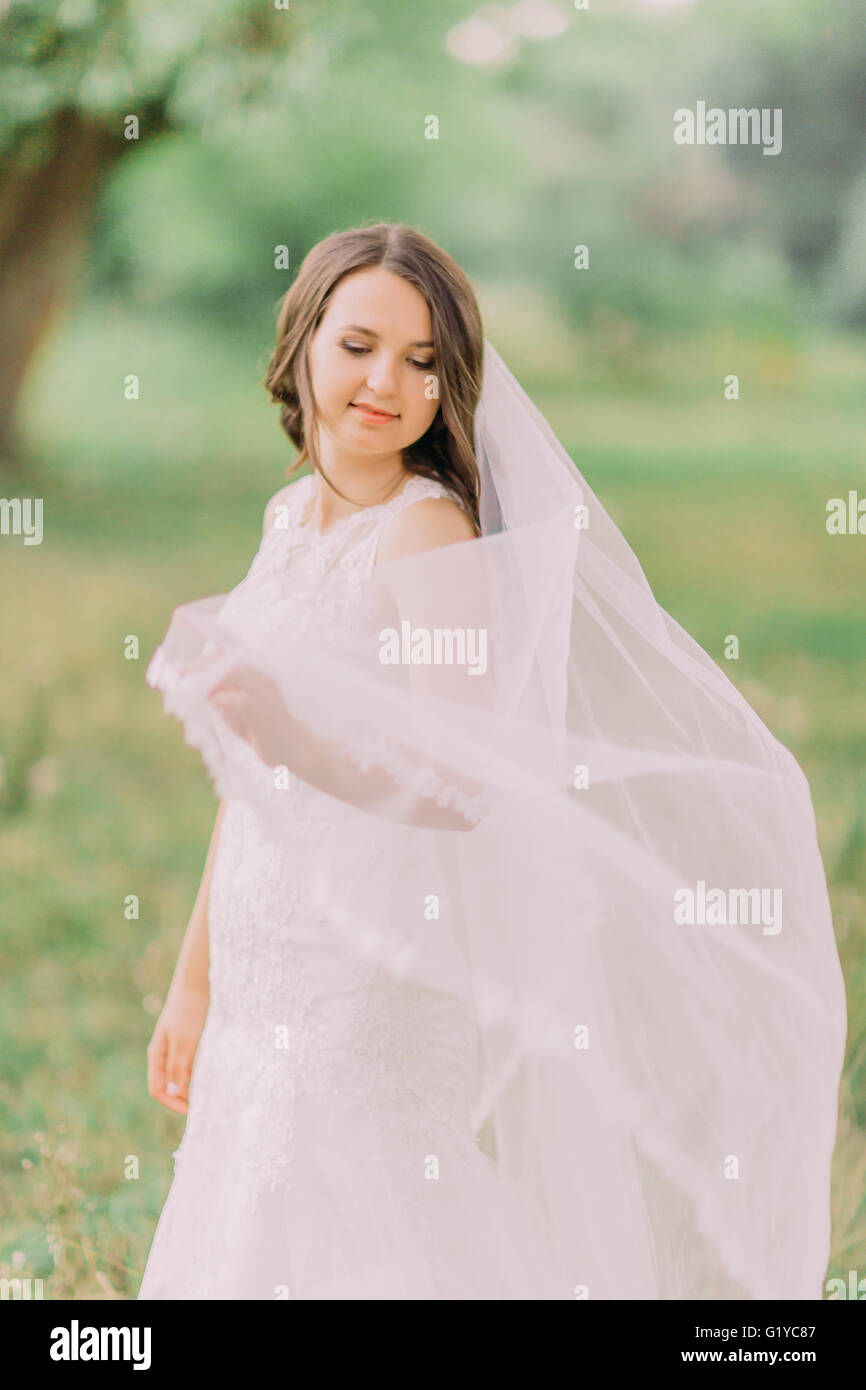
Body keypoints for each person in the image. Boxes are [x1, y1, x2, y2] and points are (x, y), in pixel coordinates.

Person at [139, 221, 846, 1300]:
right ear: (300, 345)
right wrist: (194, 983)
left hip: (366, 966)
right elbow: (250, 785)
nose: (386, 382)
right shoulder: (287, 521)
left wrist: (296, 740)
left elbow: (458, 783)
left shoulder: (429, 537)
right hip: (260, 953)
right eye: (359, 344)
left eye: (423, 362)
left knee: (369, 1212)